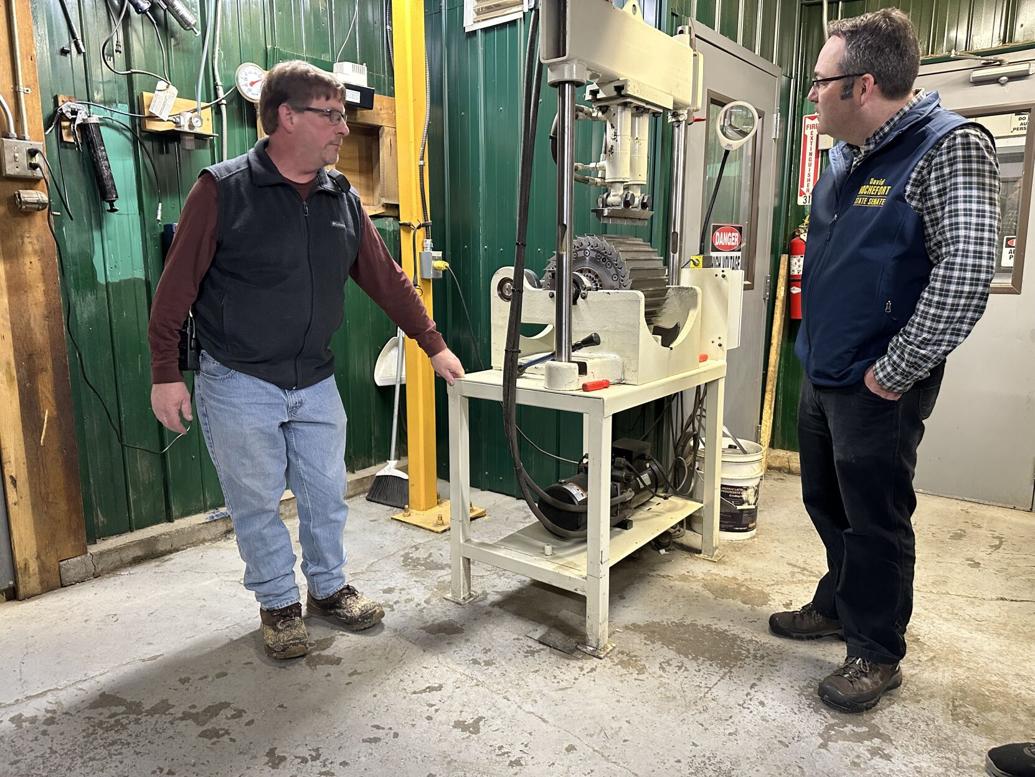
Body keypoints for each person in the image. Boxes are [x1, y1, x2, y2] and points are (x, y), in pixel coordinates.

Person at [148, 61, 465, 660]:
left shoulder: (338, 195)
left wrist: (433, 343)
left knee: (324, 494)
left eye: (344, 115)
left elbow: (387, 279)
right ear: (287, 117)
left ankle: (327, 589)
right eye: (333, 115)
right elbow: (174, 291)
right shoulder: (223, 189)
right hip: (239, 378)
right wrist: (166, 374)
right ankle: (278, 605)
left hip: (314, 379)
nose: (343, 128)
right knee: (256, 502)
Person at [768, 9, 1000, 711]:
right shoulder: (844, 158)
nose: (811, 94)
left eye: (819, 81)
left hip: (877, 381)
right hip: (824, 367)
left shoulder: (946, 147)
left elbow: (964, 272)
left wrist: (895, 369)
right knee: (826, 502)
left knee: (875, 517)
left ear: (861, 85)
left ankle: (875, 650)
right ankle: (838, 602)